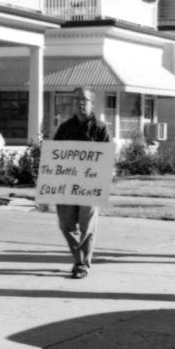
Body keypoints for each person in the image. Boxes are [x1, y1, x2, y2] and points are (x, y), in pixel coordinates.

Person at [52, 87, 112, 279]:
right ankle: (79, 258)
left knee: (88, 226)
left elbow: (108, 159)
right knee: (65, 224)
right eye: (76, 99)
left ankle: (82, 264)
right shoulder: (64, 128)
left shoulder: (100, 129)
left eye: (84, 100)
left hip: (90, 186)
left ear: (92, 103)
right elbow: (54, 159)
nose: (79, 103)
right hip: (67, 185)